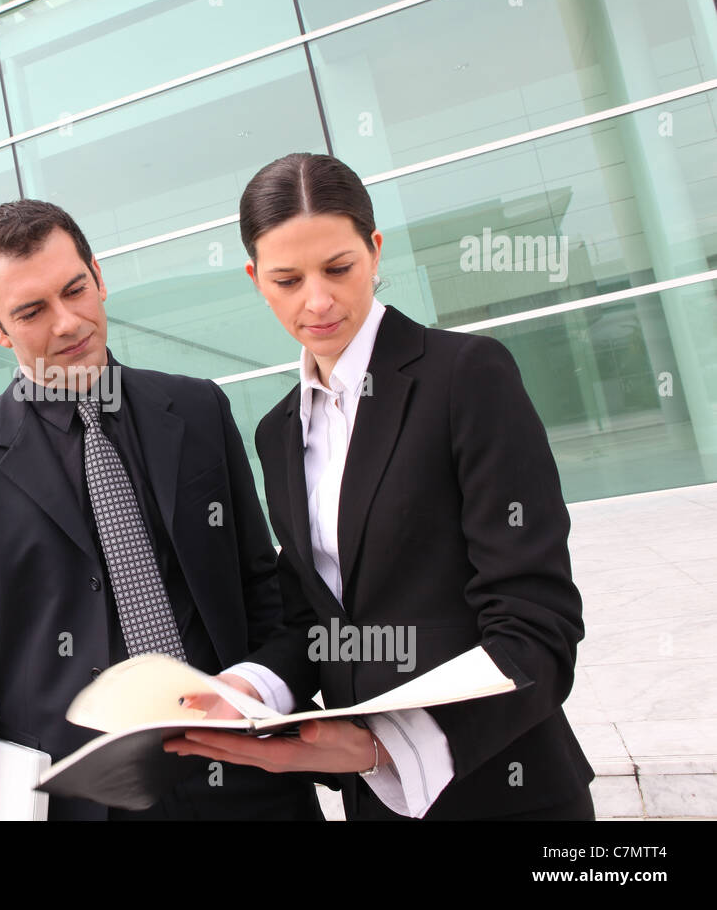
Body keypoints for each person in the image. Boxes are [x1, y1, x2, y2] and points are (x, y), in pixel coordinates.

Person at [166, 153, 595, 819]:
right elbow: (316, 623)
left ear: (374, 250)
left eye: (339, 268)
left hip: (505, 787)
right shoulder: (279, 432)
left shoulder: (466, 376)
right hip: (376, 807)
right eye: (286, 279)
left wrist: (384, 748)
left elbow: (538, 624)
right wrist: (246, 688)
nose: (317, 300)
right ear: (256, 280)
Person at [0, 199, 324, 820]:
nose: (67, 322)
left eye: (75, 290)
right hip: (88, 799)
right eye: (31, 311)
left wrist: (271, 703)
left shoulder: (197, 410)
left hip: (246, 774)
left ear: (99, 278)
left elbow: (260, 586)